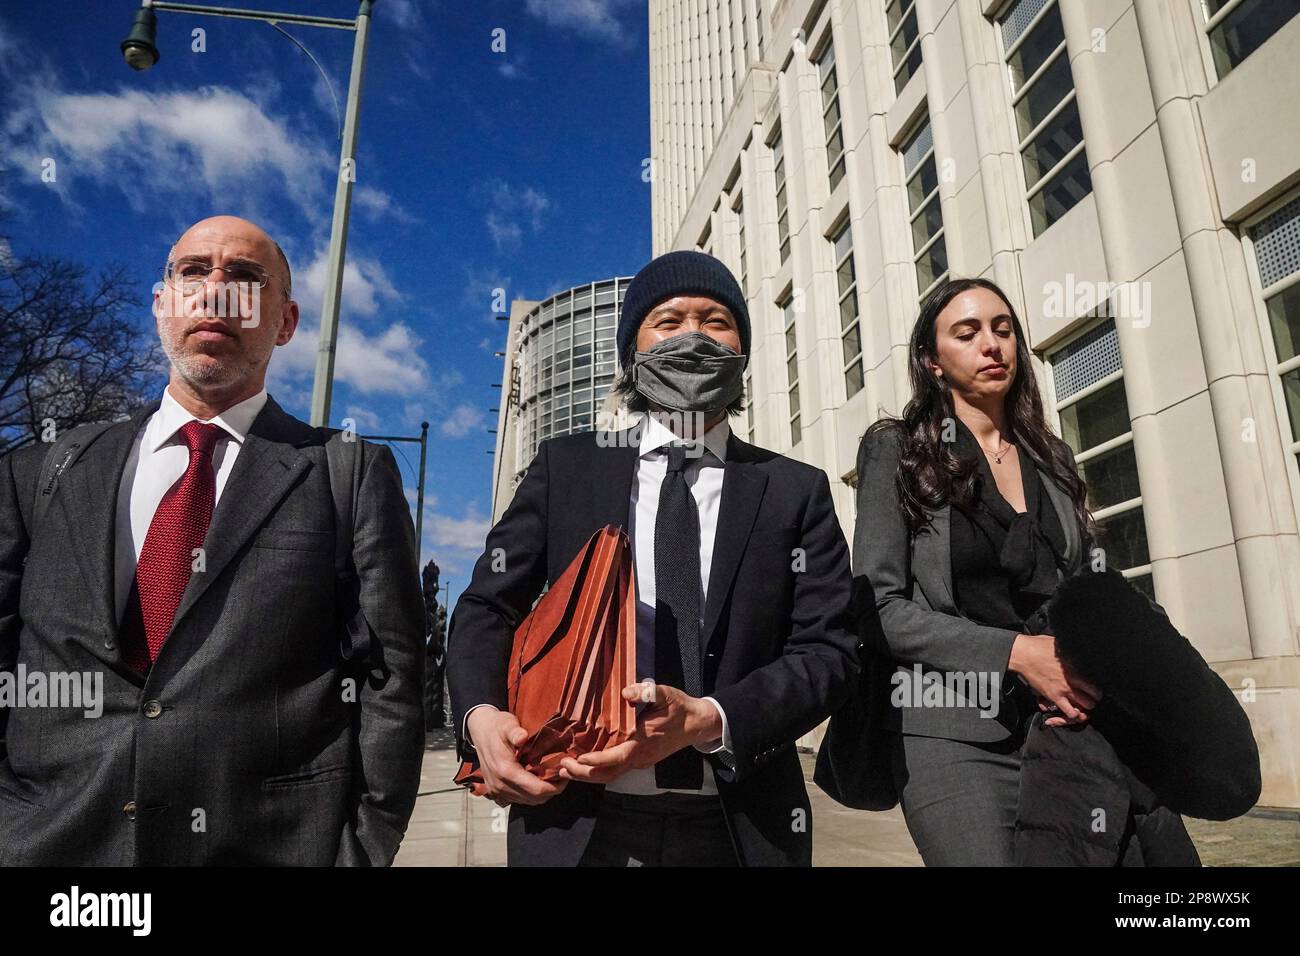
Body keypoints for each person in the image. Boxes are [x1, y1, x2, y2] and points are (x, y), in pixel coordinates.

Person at [0, 215, 425, 865]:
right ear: (162, 303)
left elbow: (390, 678)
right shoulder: (42, 472)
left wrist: (360, 850)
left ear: (285, 321)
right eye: (193, 271)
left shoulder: (346, 473)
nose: (217, 291)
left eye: (246, 278)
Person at [448, 250, 859, 866]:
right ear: (632, 353)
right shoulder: (568, 468)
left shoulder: (795, 489)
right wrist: (481, 718)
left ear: (742, 353)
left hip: (742, 826)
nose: (692, 335)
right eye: (668, 321)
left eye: (715, 320)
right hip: (575, 815)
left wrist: (708, 719)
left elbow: (829, 651)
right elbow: (486, 604)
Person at [853, 276, 1104, 865]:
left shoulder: (1053, 457)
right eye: (966, 334)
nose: (992, 345)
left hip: (1062, 725)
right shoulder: (899, 449)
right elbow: (879, 608)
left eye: (1003, 329)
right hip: (949, 729)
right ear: (932, 362)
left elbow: (1085, 586)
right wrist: (1019, 654)